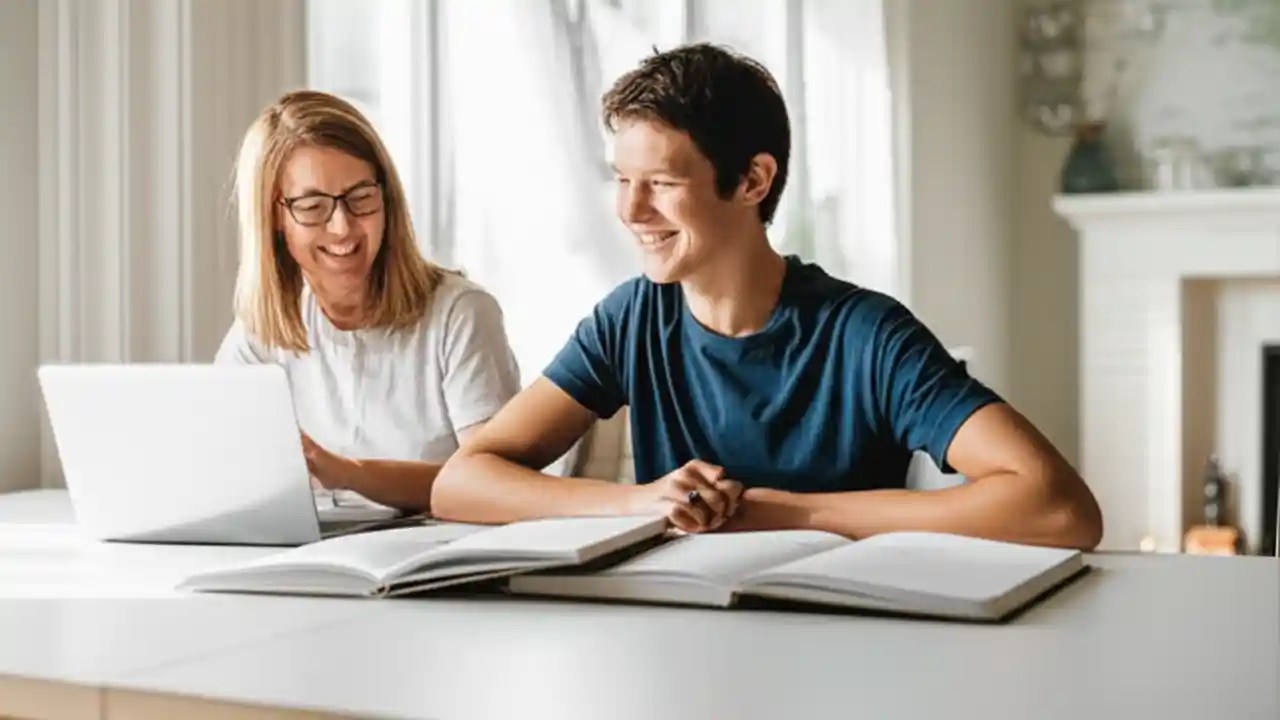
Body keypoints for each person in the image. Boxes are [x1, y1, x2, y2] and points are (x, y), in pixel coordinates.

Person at [432, 44, 1102, 549]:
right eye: (621, 180)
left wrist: (785, 512)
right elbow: (461, 482)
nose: (631, 210)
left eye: (661, 183)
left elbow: (1059, 507)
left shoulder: (865, 333)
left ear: (753, 180)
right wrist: (638, 501)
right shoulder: (632, 318)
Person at [216, 90, 520, 514]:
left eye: (360, 198)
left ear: (386, 198)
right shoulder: (259, 332)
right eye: (312, 206)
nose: (342, 227)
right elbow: (222, 474)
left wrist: (349, 473)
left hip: (440, 558)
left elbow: (496, 485)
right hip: (309, 558)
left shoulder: (460, 314)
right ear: (275, 219)